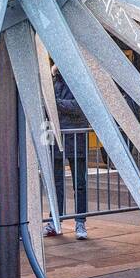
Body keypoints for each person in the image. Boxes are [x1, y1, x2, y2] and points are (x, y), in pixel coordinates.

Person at [49, 67, 90, 240]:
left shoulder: (78, 79)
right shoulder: (53, 80)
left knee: (79, 183)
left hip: (75, 136)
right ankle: (54, 220)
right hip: (57, 136)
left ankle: (80, 222)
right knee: (56, 183)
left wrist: (56, 104)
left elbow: (79, 106)